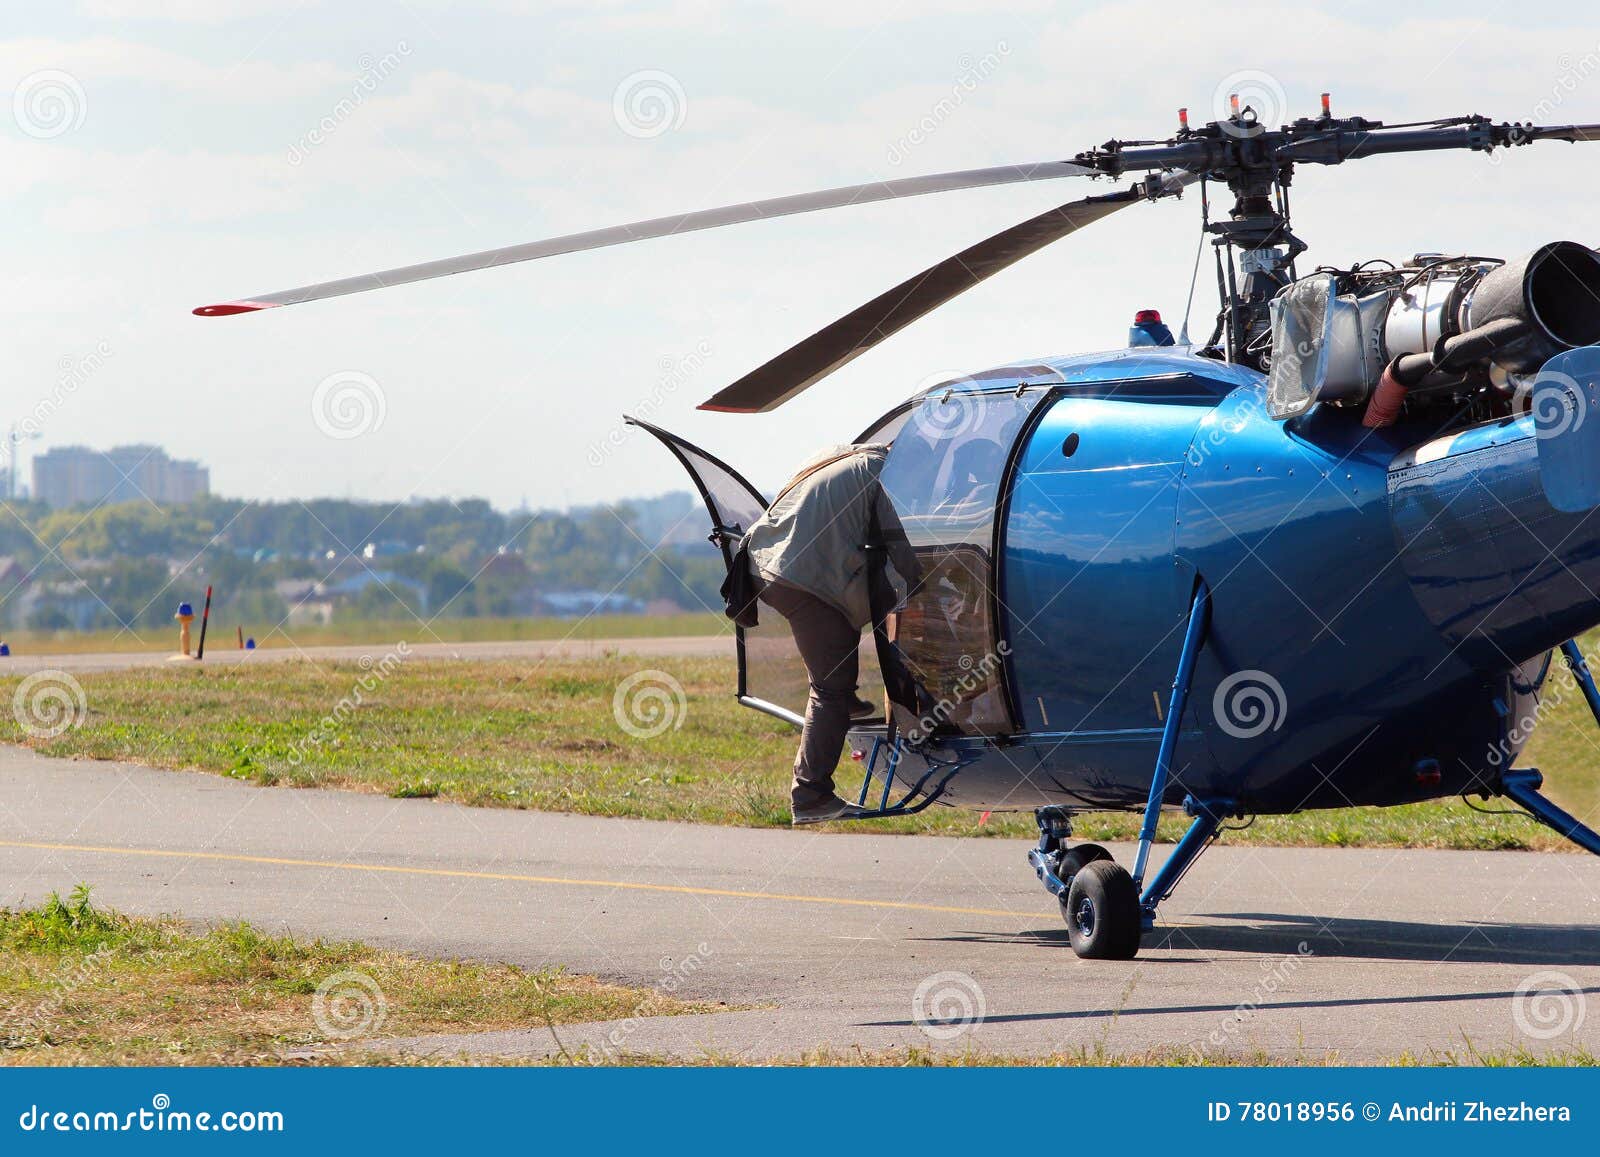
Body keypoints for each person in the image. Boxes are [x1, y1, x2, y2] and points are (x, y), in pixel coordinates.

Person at [742, 442, 922, 824]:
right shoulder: (887, 476)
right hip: (802, 579)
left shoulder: (846, 457)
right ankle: (810, 794)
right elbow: (900, 545)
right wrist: (928, 585)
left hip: (770, 564)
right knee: (830, 688)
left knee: (835, 675)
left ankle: (847, 707)